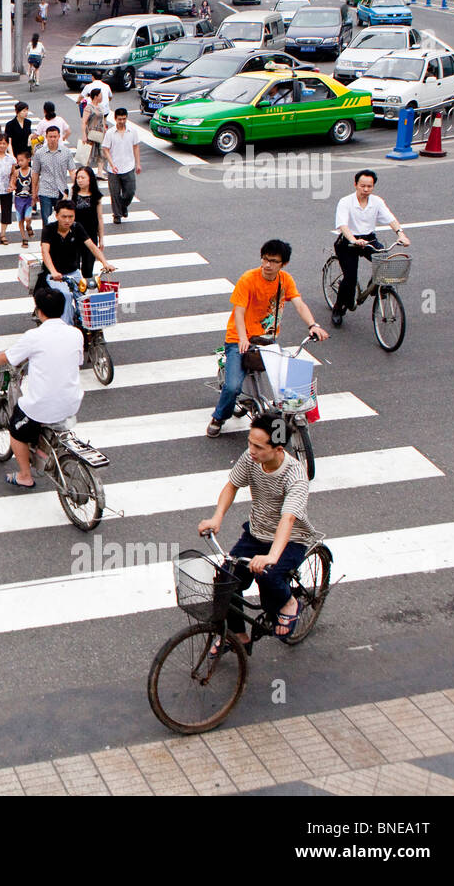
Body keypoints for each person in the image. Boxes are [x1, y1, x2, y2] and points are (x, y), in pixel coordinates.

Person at [197, 412, 319, 651]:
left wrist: (272, 556)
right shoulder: (251, 458)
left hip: (290, 540)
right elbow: (232, 485)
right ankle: (238, 635)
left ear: (278, 448)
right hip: (256, 533)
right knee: (226, 579)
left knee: (269, 575)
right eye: (250, 443)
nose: (251, 450)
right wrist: (217, 517)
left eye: (259, 446)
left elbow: (289, 519)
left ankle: (289, 603)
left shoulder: (295, 476)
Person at [207, 240, 329, 438]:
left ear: (283, 264)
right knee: (232, 387)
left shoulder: (285, 280)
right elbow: (239, 312)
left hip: (266, 341)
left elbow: (299, 304)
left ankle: (285, 429)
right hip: (239, 338)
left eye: (273, 261)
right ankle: (219, 417)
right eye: (265, 259)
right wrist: (243, 338)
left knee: (289, 385)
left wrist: (313, 325)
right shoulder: (248, 279)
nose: (267, 265)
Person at [0, 287, 82, 490]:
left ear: (39, 311)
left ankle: (24, 475)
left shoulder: (34, 336)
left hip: (43, 405)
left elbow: (8, 357)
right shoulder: (76, 334)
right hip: (72, 402)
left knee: (16, 429)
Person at [332, 170, 409, 326]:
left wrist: (401, 234)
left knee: (385, 262)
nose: (366, 189)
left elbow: (391, 219)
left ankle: (374, 287)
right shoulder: (346, 202)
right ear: (355, 185)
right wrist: (354, 239)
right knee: (350, 279)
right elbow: (342, 225)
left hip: (369, 239)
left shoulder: (376, 201)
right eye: (362, 186)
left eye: (369, 186)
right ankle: (338, 308)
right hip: (348, 242)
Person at [40, 200, 116, 326]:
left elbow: (92, 246)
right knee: (65, 295)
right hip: (55, 275)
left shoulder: (77, 228)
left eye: (71, 216)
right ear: (57, 215)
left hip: (74, 273)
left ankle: (87, 325)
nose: (67, 220)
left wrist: (105, 263)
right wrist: (54, 272)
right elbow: (45, 252)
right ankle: (67, 328)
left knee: (86, 296)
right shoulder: (49, 229)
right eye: (64, 217)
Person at [101, 107, 141, 224]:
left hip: (128, 166)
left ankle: (123, 206)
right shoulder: (110, 133)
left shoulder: (132, 132)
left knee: (130, 191)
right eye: (120, 119)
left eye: (124, 119)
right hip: (114, 169)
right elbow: (106, 149)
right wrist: (112, 164)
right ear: (115, 119)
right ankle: (117, 215)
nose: (122, 121)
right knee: (115, 193)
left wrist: (138, 163)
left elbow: (136, 147)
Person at [31, 124, 74, 228]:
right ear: (46, 137)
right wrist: (34, 192)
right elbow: (35, 173)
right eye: (50, 137)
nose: (53, 139)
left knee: (62, 220)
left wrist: (77, 186)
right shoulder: (39, 153)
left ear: (59, 136)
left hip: (61, 190)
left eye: (55, 137)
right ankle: (47, 242)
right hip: (45, 191)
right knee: (47, 221)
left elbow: (72, 170)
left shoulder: (66, 152)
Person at [70, 165, 106, 279]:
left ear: (90, 179)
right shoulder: (73, 194)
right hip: (75, 235)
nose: (79, 180)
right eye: (78, 177)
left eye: (83, 177)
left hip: (91, 236)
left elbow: (99, 218)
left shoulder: (96, 196)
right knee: (74, 267)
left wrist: (101, 238)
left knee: (88, 268)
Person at [79, 88, 108, 173]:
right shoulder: (88, 107)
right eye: (100, 95)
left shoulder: (100, 107)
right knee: (87, 153)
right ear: (96, 96)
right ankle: (85, 171)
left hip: (100, 132)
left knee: (102, 153)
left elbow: (103, 119)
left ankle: (100, 172)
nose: (102, 97)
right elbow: (84, 122)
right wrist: (84, 135)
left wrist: (105, 129)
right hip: (91, 132)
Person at [12, 149, 36, 245]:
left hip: (28, 199)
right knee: (20, 219)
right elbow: (12, 183)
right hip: (18, 199)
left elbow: (35, 185)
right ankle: (24, 238)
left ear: (28, 160)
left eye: (22, 160)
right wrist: (12, 187)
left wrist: (35, 196)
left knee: (27, 217)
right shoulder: (17, 172)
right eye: (19, 161)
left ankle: (29, 226)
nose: (20, 163)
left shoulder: (32, 172)